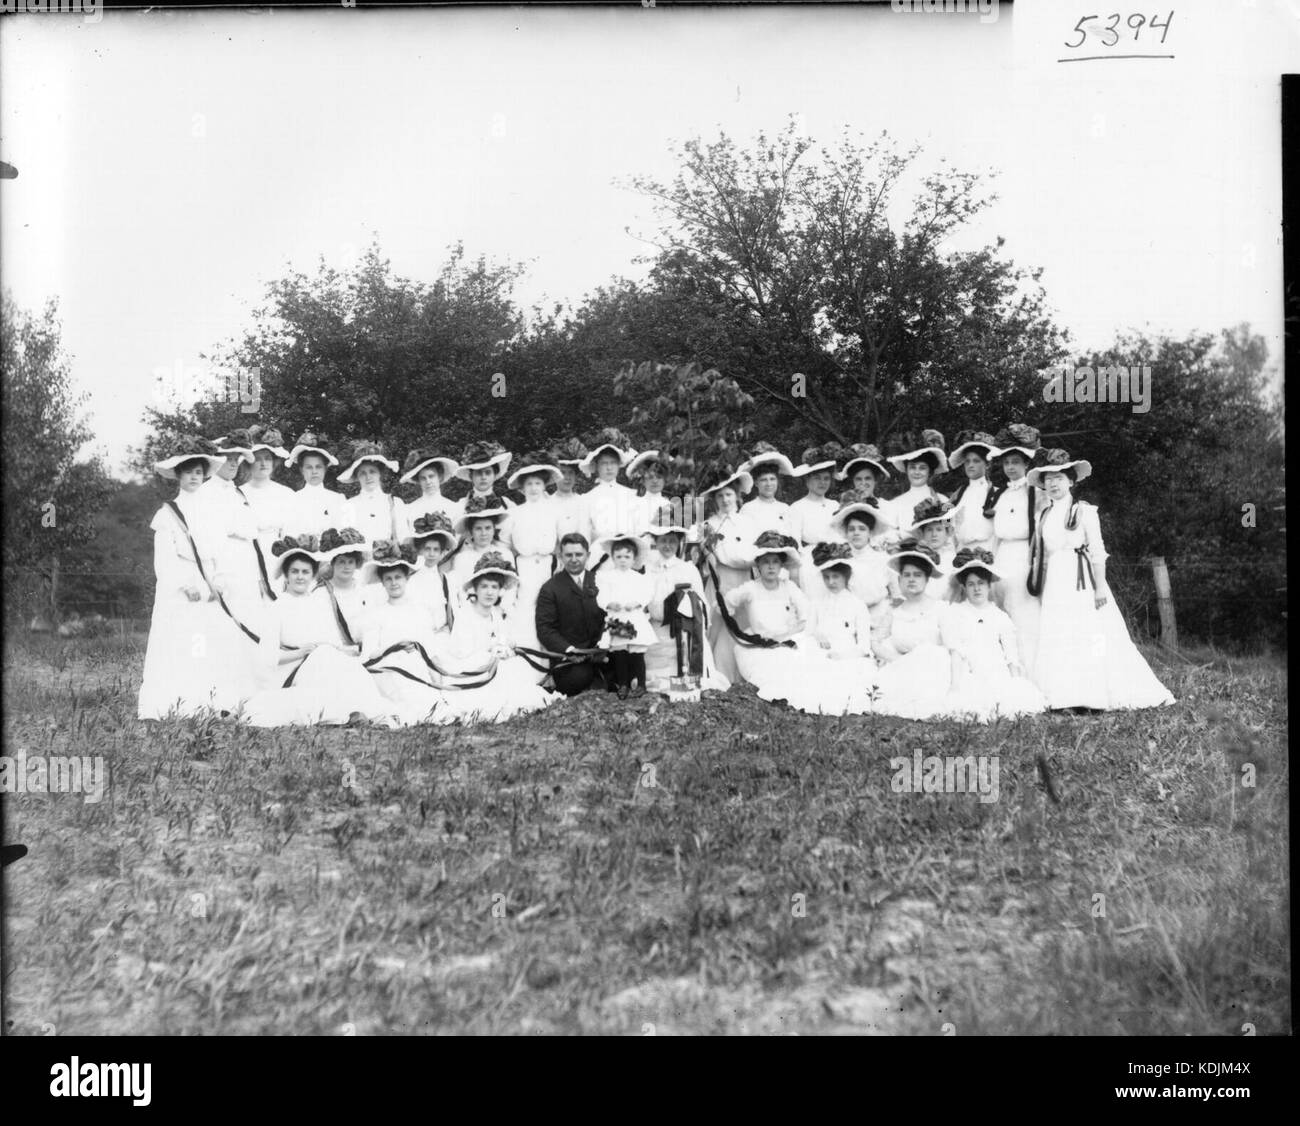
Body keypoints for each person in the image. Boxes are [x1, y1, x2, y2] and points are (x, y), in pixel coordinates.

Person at [1027, 450, 1175, 710]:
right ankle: (1064, 697)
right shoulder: (1044, 515)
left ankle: (1090, 696)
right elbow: (1043, 554)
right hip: (1056, 583)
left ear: (1071, 481)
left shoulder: (1084, 512)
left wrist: (1099, 587)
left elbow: (1097, 550)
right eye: (1049, 478)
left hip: (1081, 580)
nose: (1053, 483)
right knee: (1061, 634)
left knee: (1088, 634)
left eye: (1059, 477)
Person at [138, 438, 259, 719]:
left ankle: (211, 703)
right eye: (188, 471)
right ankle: (175, 703)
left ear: (204, 474)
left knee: (210, 644)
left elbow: (225, 549)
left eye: (198, 472)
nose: (193, 477)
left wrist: (220, 580)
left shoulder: (213, 510)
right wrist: (184, 584)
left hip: (210, 582)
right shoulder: (167, 513)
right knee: (180, 642)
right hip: (180, 586)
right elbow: (165, 558)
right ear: (178, 475)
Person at [240, 537, 399, 728]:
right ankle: (348, 713)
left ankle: (369, 713)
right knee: (323, 674)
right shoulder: (278, 607)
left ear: (313, 574)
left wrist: (344, 652)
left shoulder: (317, 601)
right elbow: (267, 657)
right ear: (286, 575)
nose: (300, 577)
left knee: (346, 667)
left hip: (320, 662)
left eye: (305, 572)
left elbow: (330, 641)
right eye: (295, 572)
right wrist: (300, 653)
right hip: (292, 670)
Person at [723, 531, 835, 712]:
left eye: (775, 562)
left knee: (812, 669)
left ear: (782, 565)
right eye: (766, 562)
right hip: (762, 645)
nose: (771, 567)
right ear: (758, 564)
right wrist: (731, 617)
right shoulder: (751, 589)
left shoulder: (788, 587)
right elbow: (727, 601)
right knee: (775, 673)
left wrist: (801, 629)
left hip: (789, 639)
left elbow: (807, 611)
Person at [440, 554, 559, 723]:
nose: (489, 592)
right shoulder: (466, 615)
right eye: (484, 586)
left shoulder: (496, 614)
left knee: (515, 670)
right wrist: (491, 650)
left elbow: (504, 639)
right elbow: (462, 651)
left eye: (494, 587)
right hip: (472, 665)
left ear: (500, 590)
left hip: (495, 662)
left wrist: (504, 648)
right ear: (475, 588)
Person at [941, 548, 1046, 722]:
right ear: (964, 588)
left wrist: (1016, 682)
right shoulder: (957, 613)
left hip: (996, 669)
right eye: (971, 584)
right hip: (970, 669)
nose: (976, 589)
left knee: (1008, 699)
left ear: (989, 586)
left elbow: (1011, 654)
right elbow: (956, 652)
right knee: (969, 702)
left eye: (981, 583)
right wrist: (955, 684)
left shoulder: (999, 616)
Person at [359, 542, 452, 726]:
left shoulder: (419, 611)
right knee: (401, 693)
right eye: (389, 579)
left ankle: (432, 705)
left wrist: (440, 683)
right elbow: (368, 655)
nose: (394, 583)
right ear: (383, 582)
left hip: (416, 666)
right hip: (386, 669)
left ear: (406, 579)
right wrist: (393, 649)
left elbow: (431, 652)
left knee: (428, 689)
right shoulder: (376, 614)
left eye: (398, 577)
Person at [643, 510, 731, 694]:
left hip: (686, 630)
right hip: (658, 629)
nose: (667, 545)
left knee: (690, 657)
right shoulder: (648, 571)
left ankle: (689, 679)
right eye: (663, 540)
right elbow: (645, 600)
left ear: (679, 543)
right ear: (656, 542)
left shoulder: (687, 569)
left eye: (672, 541)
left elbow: (701, 601)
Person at [872, 541, 954, 720]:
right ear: (899, 579)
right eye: (906, 575)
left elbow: (952, 648)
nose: (911, 579)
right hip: (902, 668)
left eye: (917, 575)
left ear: (926, 579)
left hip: (933, 672)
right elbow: (875, 641)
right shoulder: (894, 611)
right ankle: (916, 748)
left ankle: (920, 746)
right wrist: (896, 659)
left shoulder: (940, 608)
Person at [986, 423, 1044, 674]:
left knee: (1024, 617)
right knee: (1001, 615)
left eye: (1016, 462)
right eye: (1007, 462)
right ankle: (1005, 672)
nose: (1010, 467)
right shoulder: (1000, 495)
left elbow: (1042, 530)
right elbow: (994, 533)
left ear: (1026, 464)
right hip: (1002, 558)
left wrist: (1036, 563)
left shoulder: (1036, 492)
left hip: (1023, 558)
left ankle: (1030, 674)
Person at [695, 466, 755, 683]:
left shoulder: (748, 522)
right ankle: (714, 674)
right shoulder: (708, 525)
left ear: (737, 496)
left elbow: (751, 555)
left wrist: (733, 555)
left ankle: (742, 675)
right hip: (719, 581)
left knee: (742, 625)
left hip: (744, 581)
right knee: (716, 626)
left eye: (728, 494)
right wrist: (722, 554)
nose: (725, 499)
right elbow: (719, 557)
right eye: (719, 496)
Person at [503, 451, 562, 668]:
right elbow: (506, 544)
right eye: (529, 483)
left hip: (547, 566)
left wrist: (559, 567)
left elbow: (561, 543)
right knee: (526, 610)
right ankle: (528, 664)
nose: (534, 488)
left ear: (545, 485)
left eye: (538, 483)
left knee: (548, 611)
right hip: (524, 567)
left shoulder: (553, 511)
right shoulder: (515, 513)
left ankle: (551, 666)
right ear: (522, 487)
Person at [806, 542, 878, 714]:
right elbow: (809, 631)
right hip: (821, 649)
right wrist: (818, 635)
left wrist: (842, 656)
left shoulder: (857, 605)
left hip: (847, 653)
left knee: (845, 677)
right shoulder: (818, 602)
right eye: (827, 577)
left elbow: (864, 646)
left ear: (846, 577)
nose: (831, 582)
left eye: (836, 577)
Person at [534, 533, 610, 696]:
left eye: (579, 554)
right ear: (560, 556)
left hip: (601, 653)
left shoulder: (601, 581)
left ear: (588, 555)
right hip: (569, 659)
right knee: (578, 678)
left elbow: (612, 617)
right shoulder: (550, 588)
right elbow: (545, 629)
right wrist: (569, 650)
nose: (574, 559)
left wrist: (604, 644)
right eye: (568, 555)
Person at [594, 533, 659, 698]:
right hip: (618, 619)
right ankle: (622, 684)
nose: (623, 560)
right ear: (613, 558)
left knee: (637, 653)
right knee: (620, 653)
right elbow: (601, 596)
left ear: (634, 558)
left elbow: (646, 594)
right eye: (619, 556)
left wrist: (637, 602)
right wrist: (609, 603)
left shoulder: (639, 578)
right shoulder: (607, 577)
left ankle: (641, 684)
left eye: (627, 556)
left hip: (634, 618)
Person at [241, 425, 295, 596]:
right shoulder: (238, 493)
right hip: (247, 557)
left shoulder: (285, 494)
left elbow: (291, 534)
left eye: (267, 458)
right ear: (249, 463)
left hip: (277, 557)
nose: (263, 463)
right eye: (258, 459)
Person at [789, 443, 845, 597]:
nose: (822, 483)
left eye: (826, 478)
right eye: (817, 478)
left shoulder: (835, 505)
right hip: (811, 561)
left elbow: (842, 534)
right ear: (807, 480)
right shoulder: (798, 507)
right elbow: (795, 543)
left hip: (836, 558)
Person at [444, 495, 515, 612]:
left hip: (499, 612)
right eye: (478, 528)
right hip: (471, 614)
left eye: (488, 528)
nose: (483, 533)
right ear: (471, 532)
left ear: (494, 530)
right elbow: (460, 591)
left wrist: (502, 610)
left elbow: (511, 589)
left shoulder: (505, 554)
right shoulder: (462, 558)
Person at [830, 489, 897, 612]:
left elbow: (897, 594)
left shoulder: (883, 559)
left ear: (870, 532)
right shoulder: (842, 561)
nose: (856, 533)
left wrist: (889, 613)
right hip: (851, 616)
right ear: (846, 532)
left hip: (881, 615)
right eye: (852, 529)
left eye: (862, 529)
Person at [578, 428, 639, 562]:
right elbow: (584, 534)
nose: (609, 468)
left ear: (618, 465)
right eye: (604, 463)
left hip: (626, 556)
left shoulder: (630, 495)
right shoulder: (588, 498)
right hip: (598, 557)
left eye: (612, 463)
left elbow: (636, 530)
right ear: (597, 466)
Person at [338, 441, 407, 547]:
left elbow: (404, 539)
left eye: (372, 471)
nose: (368, 477)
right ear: (357, 477)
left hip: (387, 560)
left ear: (380, 473)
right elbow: (346, 542)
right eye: (362, 473)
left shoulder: (395, 503)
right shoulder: (349, 505)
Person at [316, 527, 375, 644]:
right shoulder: (321, 593)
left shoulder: (363, 590)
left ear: (356, 563)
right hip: (333, 648)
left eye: (350, 562)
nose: (346, 566)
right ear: (333, 563)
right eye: (342, 561)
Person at [883, 429, 947, 534]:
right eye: (913, 467)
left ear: (929, 472)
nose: (917, 472)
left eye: (922, 468)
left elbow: (949, 533)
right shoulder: (895, 504)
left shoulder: (943, 501)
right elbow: (891, 536)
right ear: (907, 470)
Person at [284, 431, 348, 535]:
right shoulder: (293, 500)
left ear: (325, 469)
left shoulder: (337, 499)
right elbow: (289, 533)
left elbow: (344, 531)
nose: (314, 471)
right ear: (302, 470)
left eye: (318, 467)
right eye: (309, 467)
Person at [947, 430, 999, 553]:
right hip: (961, 551)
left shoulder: (997, 494)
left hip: (988, 550)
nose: (970, 465)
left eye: (976, 461)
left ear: (987, 464)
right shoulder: (956, 496)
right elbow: (946, 523)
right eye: (967, 461)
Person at [407, 512, 458, 635]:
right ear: (420, 550)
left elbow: (452, 612)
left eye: (436, 550)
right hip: (419, 634)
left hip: (443, 634)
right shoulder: (412, 579)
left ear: (442, 553)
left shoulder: (445, 579)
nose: (431, 554)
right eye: (427, 549)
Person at [737, 442, 798, 542]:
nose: (769, 484)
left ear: (777, 481)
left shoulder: (785, 508)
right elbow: (744, 538)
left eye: (772, 479)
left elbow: (793, 537)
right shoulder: (748, 509)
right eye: (763, 480)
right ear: (756, 483)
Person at [454, 440, 516, 524]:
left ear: (495, 475)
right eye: (479, 473)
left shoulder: (507, 506)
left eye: (488, 473)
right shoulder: (460, 507)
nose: (483, 477)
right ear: (471, 476)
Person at [907, 497, 958, 601]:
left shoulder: (953, 559)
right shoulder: (918, 556)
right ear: (922, 533)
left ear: (947, 532)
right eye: (929, 530)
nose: (934, 534)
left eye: (939, 530)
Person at [399, 448, 461, 525]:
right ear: (418, 481)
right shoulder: (410, 509)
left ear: (439, 477)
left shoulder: (453, 508)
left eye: (431, 476)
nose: (428, 482)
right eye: (423, 478)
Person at [550, 438, 588, 558]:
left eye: (571, 473)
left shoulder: (582, 502)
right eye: (563, 472)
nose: (567, 477)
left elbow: (586, 533)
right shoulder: (548, 503)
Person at [626, 450, 672, 547]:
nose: (655, 481)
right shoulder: (633, 505)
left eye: (659, 477)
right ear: (642, 480)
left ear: (665, 480)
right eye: (650, 477)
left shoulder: (671, 506)